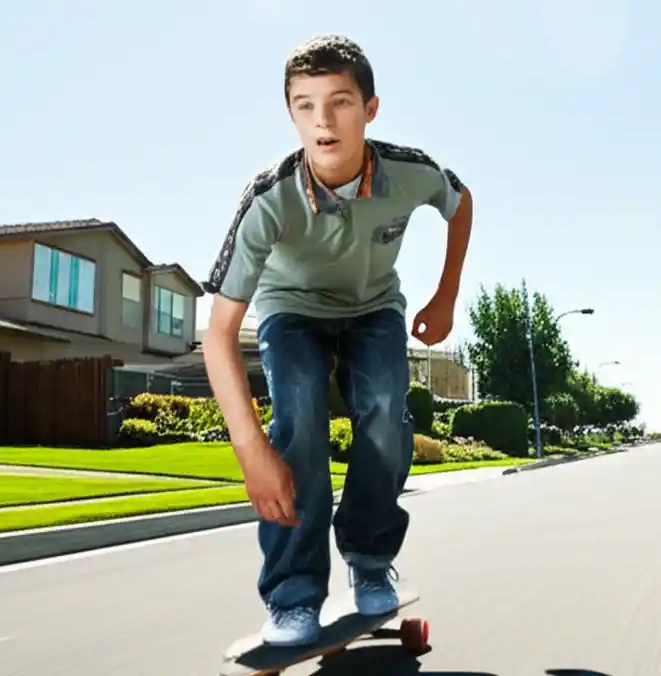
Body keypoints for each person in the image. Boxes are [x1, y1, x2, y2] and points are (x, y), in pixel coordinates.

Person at [202, 34, 473, 646]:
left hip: (374, 307)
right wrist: (251, 452)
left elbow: (461, 204)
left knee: (382, 409)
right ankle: (294, 596)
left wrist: (446, 295)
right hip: (290, 312)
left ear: (370, 109)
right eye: (305, 105)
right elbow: (219, 333)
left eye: (340, 102)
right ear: (291, 113)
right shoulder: (267, 200)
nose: (323, 121)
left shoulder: (411, 171)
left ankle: (370, 561)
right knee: (297, 411)